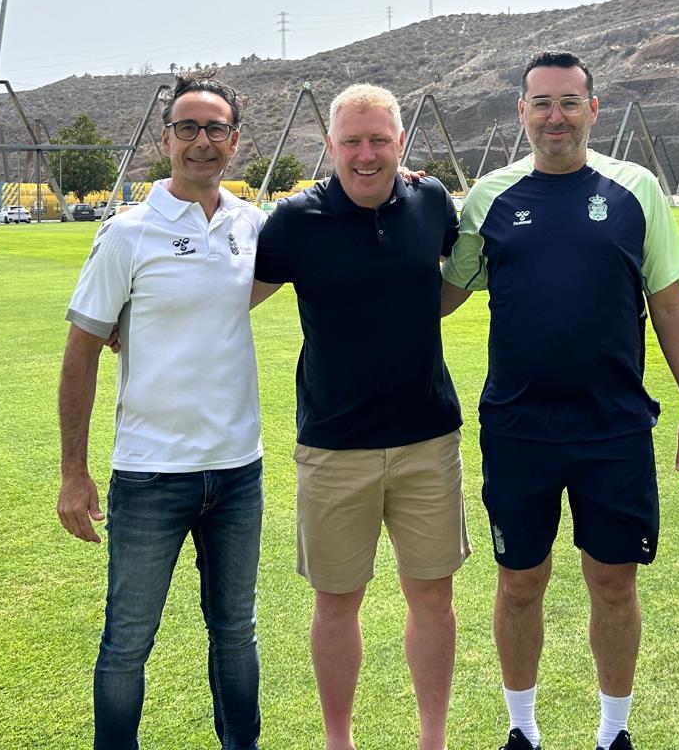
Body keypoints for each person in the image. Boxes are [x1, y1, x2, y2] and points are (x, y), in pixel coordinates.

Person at [440, 51, 679, 750]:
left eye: (569, 102)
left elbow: (670, 305)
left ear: (594, 110)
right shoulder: (490, 197)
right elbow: (445, 296)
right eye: (541, 103)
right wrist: (394, 221)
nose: (554, 116)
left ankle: (613, 733)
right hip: (518, 427)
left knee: (614, 582)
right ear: (521, 113)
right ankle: (523, 731)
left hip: (613, 428)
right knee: (520, 580)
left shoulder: (635, 189)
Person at [253, 83, 468, 750]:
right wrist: (131, 324)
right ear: (330, 148)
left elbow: (451, 283)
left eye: (379, 140)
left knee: (432, 599)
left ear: (401, 144)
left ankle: (432, 739)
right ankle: (338, 741)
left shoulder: (431, 201)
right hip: (333, 447)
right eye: (352, 141)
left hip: (428, 440)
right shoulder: (295, 220)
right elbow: (229, 302)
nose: (366, 154)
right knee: (336, 603)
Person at [57, 76, 269, 750]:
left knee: (236, 633)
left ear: (234, 143)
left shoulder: (252, 224)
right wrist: (73, 472)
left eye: (214, 130)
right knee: (127, 641)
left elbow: (242, 293)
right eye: (187, 128)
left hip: (239, 472)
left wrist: (405, 178)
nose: (200, 142)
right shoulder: (128, 234)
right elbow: (81, 351)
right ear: (164, 140)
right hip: (150, 476)